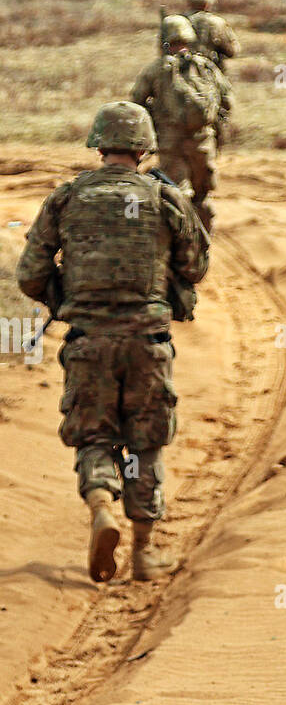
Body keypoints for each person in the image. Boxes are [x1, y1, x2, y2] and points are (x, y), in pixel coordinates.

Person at [16, 101, 208, 584]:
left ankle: (102, 504)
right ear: (144, 149)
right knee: (145, 444)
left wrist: (64, 301)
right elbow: (195, 267)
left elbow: (30, 275)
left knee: (95, 435)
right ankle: (143, 553)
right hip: (148, 341)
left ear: (99, 145)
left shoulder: (66, 198)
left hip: (89, 341)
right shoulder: (164, 199)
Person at [130, 14, 231, 232]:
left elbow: (136, 102)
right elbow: (227, 101)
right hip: (203, 142)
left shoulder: (156, 69)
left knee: (176, 194)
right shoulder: (205, 66)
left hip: (171, 142)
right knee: (202, 196)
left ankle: (181, 242)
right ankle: (204, 241)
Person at [186, 0, 241, 72]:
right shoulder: (217, 23)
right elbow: (232, 51)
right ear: (210, 0)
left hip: (180, 75)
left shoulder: (177, 20)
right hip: (209, 75)